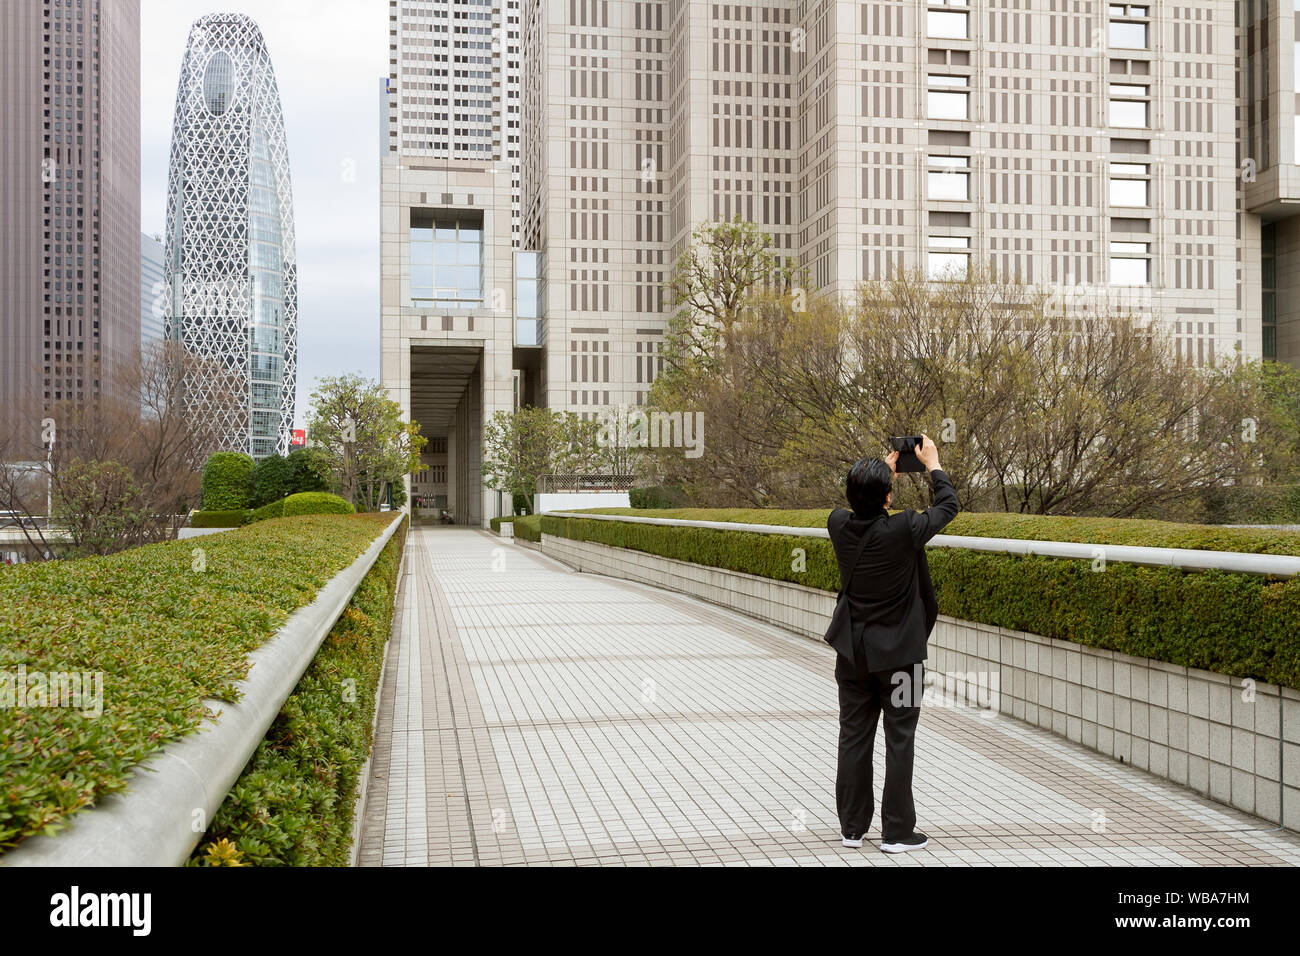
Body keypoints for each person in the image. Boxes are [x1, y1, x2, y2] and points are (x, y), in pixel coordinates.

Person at [826, 435, 959, 853]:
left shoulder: (837, 525)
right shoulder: (905, 528)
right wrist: (933, 463)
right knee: (900, 738)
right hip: (901, 656)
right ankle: (898, 832)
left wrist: (880, 477)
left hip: (854, 653)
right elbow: (949, 506)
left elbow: (860, 506)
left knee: (853, 735)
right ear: (888, 495)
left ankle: (852, 829)